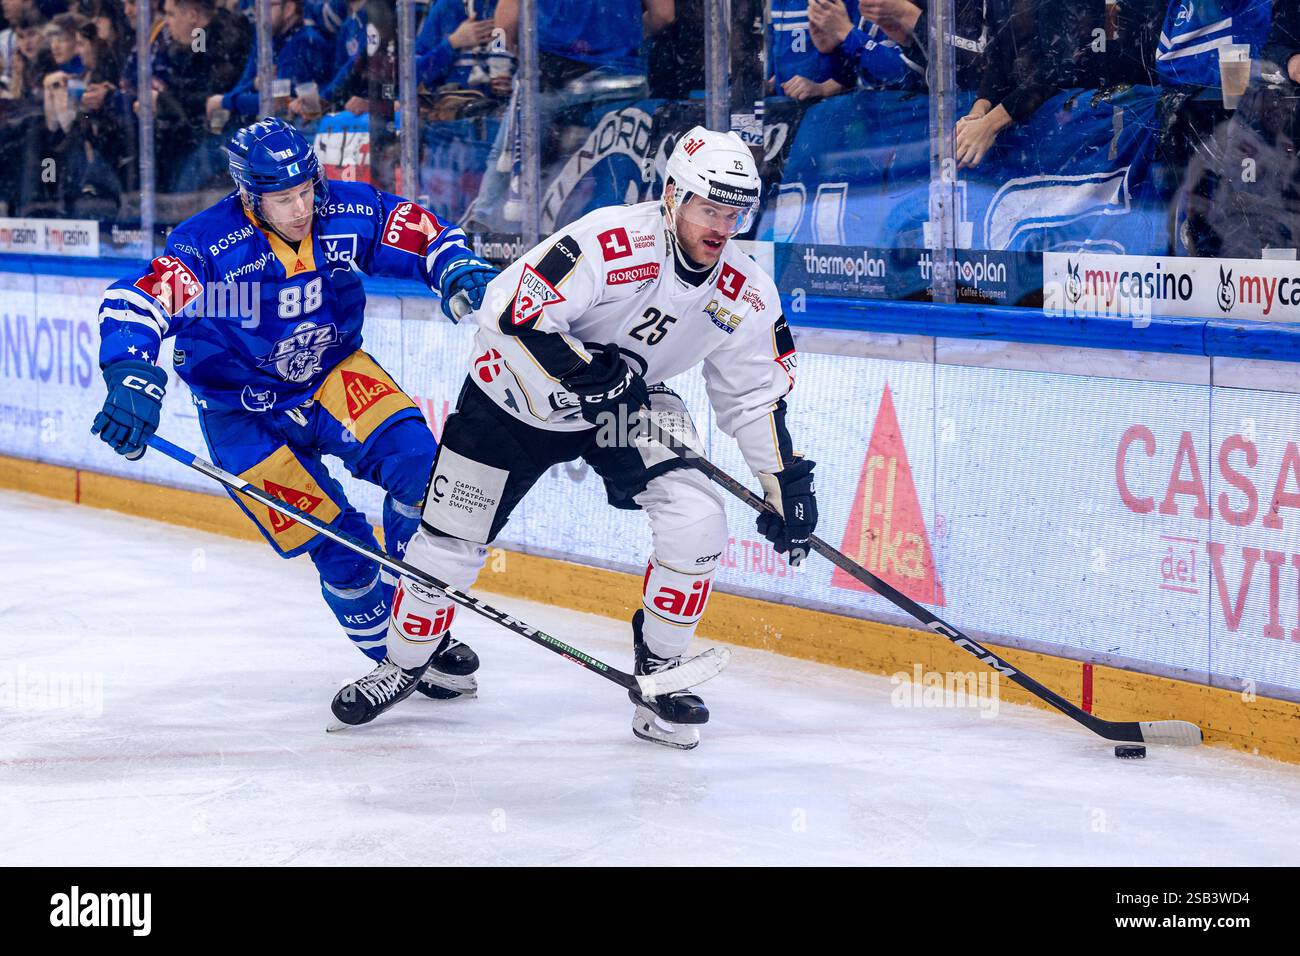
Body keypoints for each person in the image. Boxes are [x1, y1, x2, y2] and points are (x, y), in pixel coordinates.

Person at [332, 126, 819, 749]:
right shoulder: (610, 240)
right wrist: (584, 368)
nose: (722, 227)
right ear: (673, 195)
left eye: (734, 214)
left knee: (698, 518)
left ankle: (662, 674)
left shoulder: (745, 290)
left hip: (623, 408)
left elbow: (753, 396)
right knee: (448, 546)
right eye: (709, 209)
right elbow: (509, 310)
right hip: (513, 399)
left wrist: (785, 484)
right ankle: (403, 665)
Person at [91, 117, 500, 699]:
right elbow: (136, 300)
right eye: (283, 198)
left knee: (423, 474)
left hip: (333, 374)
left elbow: (422, 233)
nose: (302, 207)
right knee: (337, 546)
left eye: (306, 190)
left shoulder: (344, 209)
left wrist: (454, 267)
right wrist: (130, 371)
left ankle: (418, 623)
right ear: (248, 195)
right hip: (241, 415)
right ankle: (394, 656)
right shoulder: (207, 244)